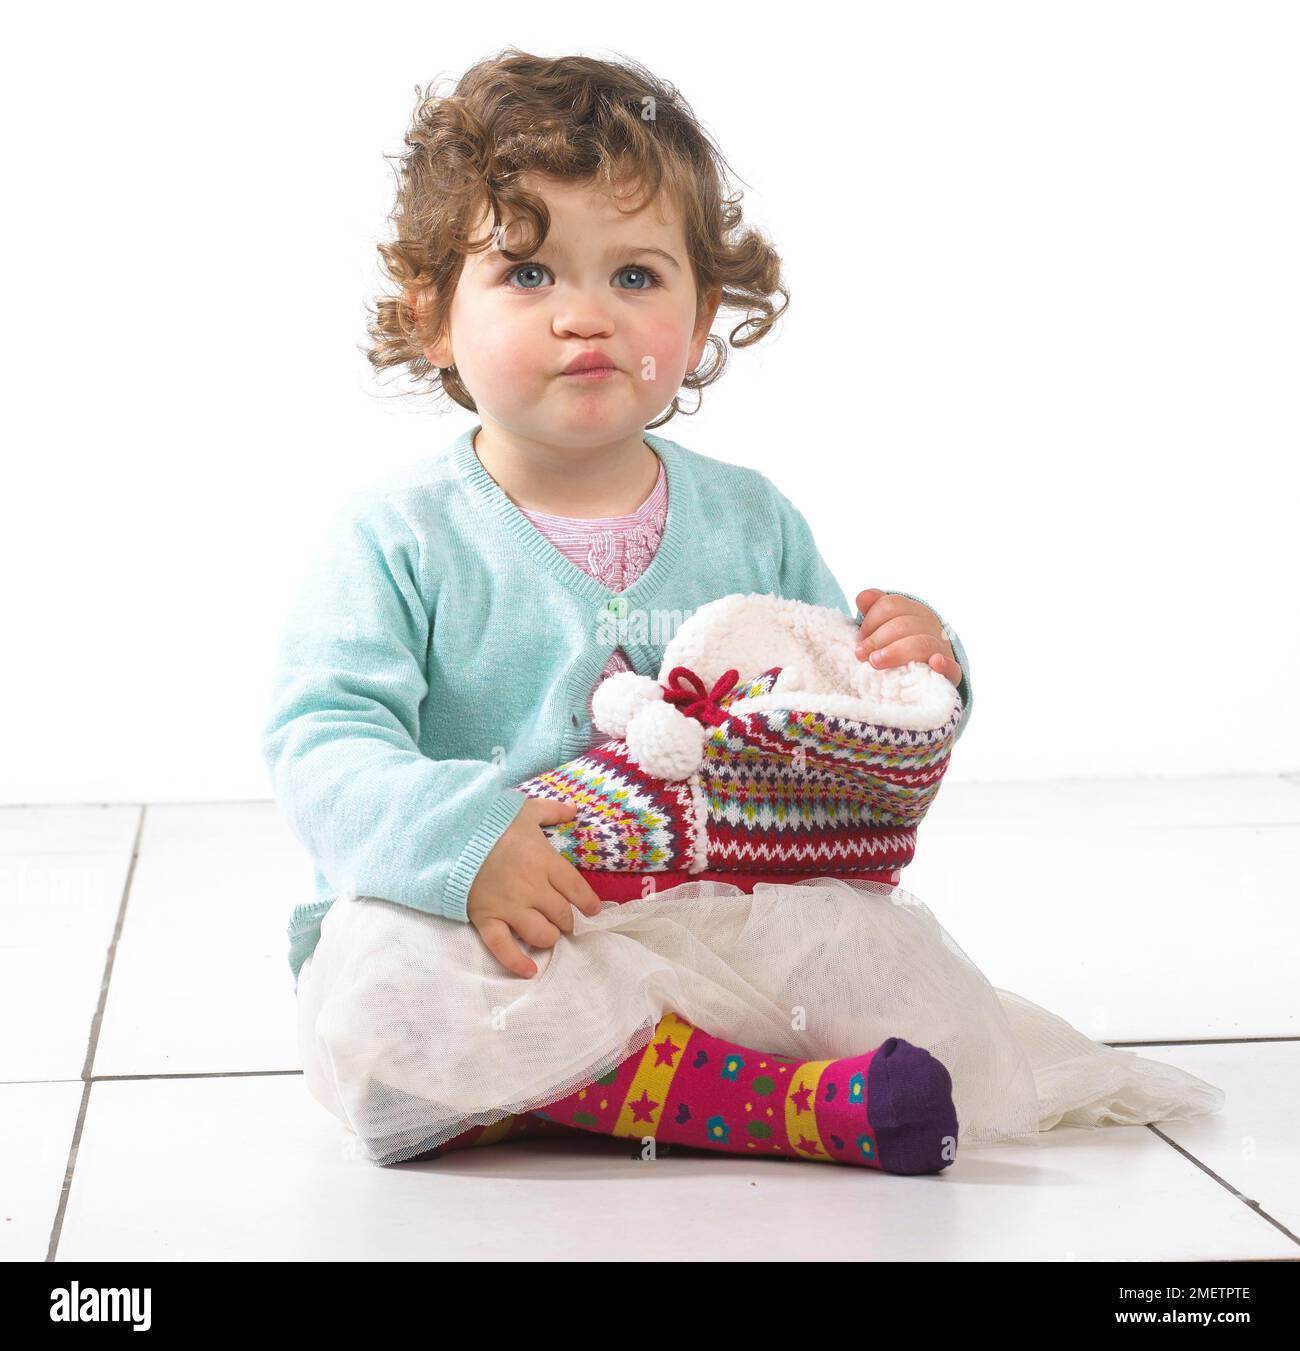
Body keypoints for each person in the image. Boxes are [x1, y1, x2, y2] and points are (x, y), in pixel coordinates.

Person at [263, 49, 1224, 1174]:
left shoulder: (750, 518)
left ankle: (592, 1088)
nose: (586, 316)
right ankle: (778, 1107)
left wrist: (919, 673)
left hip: (707, 916)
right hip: (496, 921)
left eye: (634, 276)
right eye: (527, 275)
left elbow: (826, 714)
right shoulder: (399, 536)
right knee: (381, 989)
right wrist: (461, 846)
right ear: (434, 317)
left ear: (702, 308)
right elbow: (320, 737)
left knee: (884, 967)